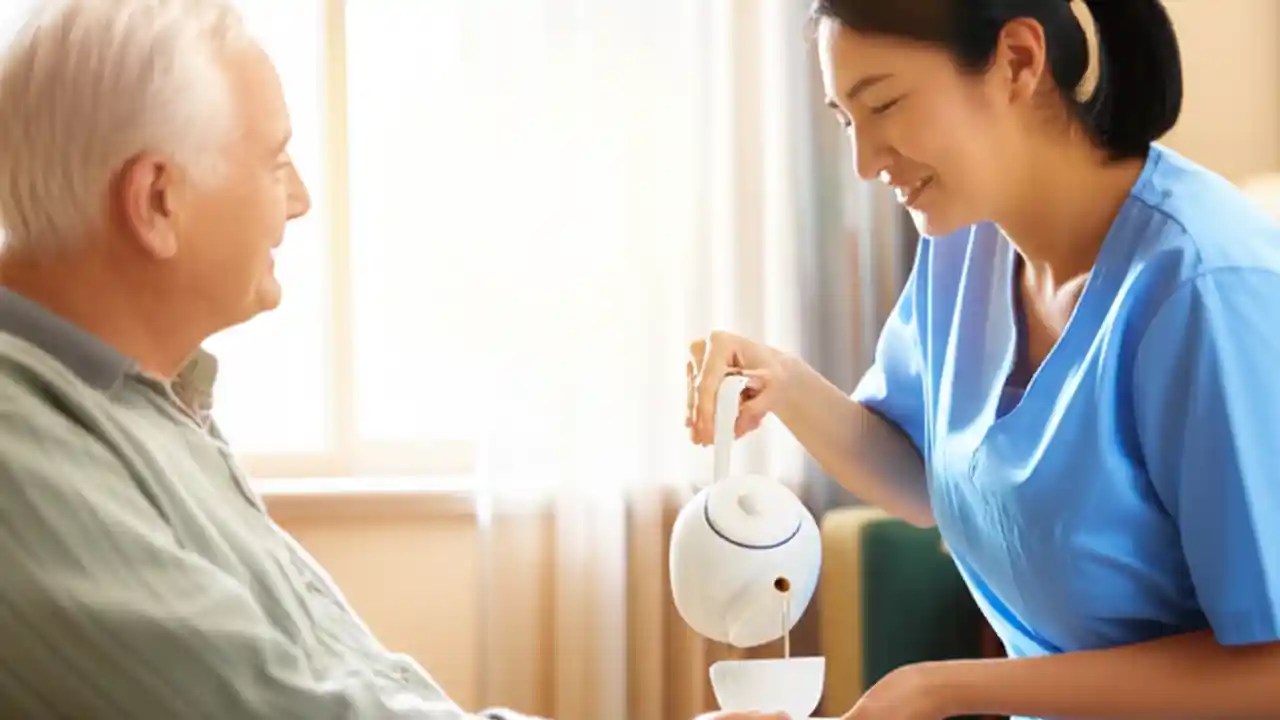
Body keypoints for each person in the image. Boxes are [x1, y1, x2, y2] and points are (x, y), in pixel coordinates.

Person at [691, 1, 1280, 719]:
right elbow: (925, 481)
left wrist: (943, 689)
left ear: (1018, 62)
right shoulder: (965, 244)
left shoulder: (1206, 290)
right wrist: (781, 382)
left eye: (885, 105)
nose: (865, 164)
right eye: (846, 121)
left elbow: (1270, 672)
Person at [0, 1, 543, 717]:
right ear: (157, 199)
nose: (300, 201)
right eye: (275, 161)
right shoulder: (20, 449)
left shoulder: (147, 403)